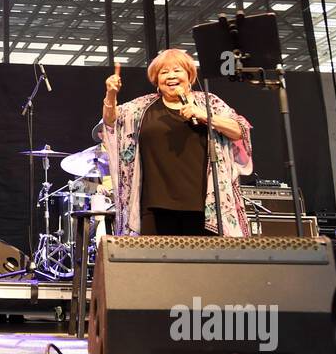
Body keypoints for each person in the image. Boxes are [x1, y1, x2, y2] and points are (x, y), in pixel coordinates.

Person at [101, 48, 253, 237]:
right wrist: (111, 94)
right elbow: (111, 122)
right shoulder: (141, 108)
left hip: (204, 206)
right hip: (154, 206)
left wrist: (204, 116)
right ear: (156, 80)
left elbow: (239, 130)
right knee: (159, 265)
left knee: (202, 264)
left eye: (177, 70)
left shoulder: (209, 103)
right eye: (164, 72)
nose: (171, 76)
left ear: (189, 75)